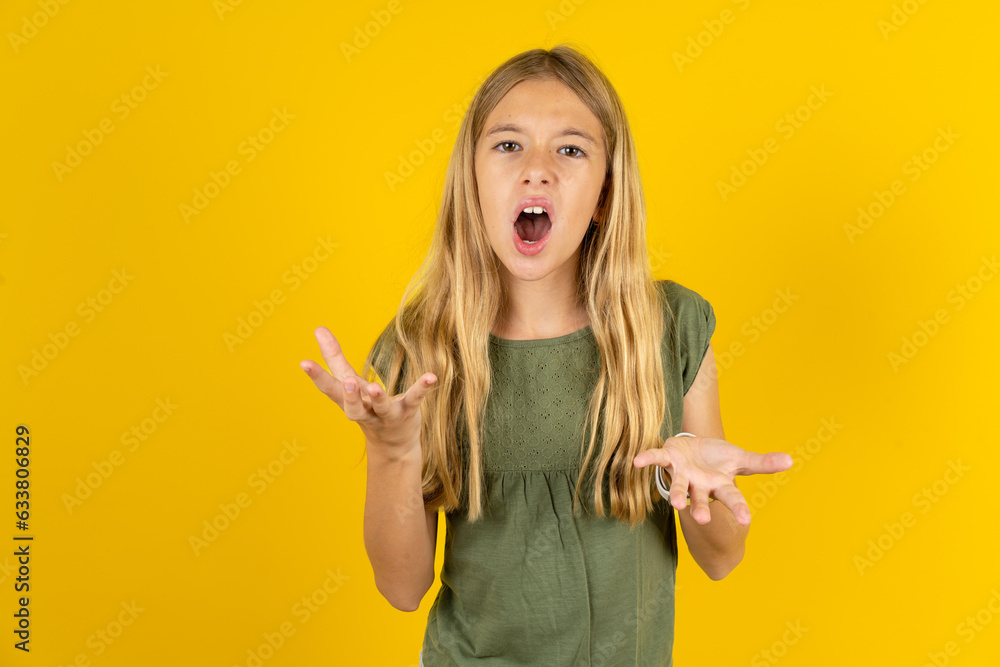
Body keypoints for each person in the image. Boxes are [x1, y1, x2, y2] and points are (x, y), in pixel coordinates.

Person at [300, 44, 794, 666]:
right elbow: (402, 589)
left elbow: (721, 558)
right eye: (508, 145)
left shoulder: (669, 327)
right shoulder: (422, 352)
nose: (537, 169)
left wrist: (690, 485)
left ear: (606, 192)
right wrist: (392, 452)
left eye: (570, 148)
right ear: (472, 179)